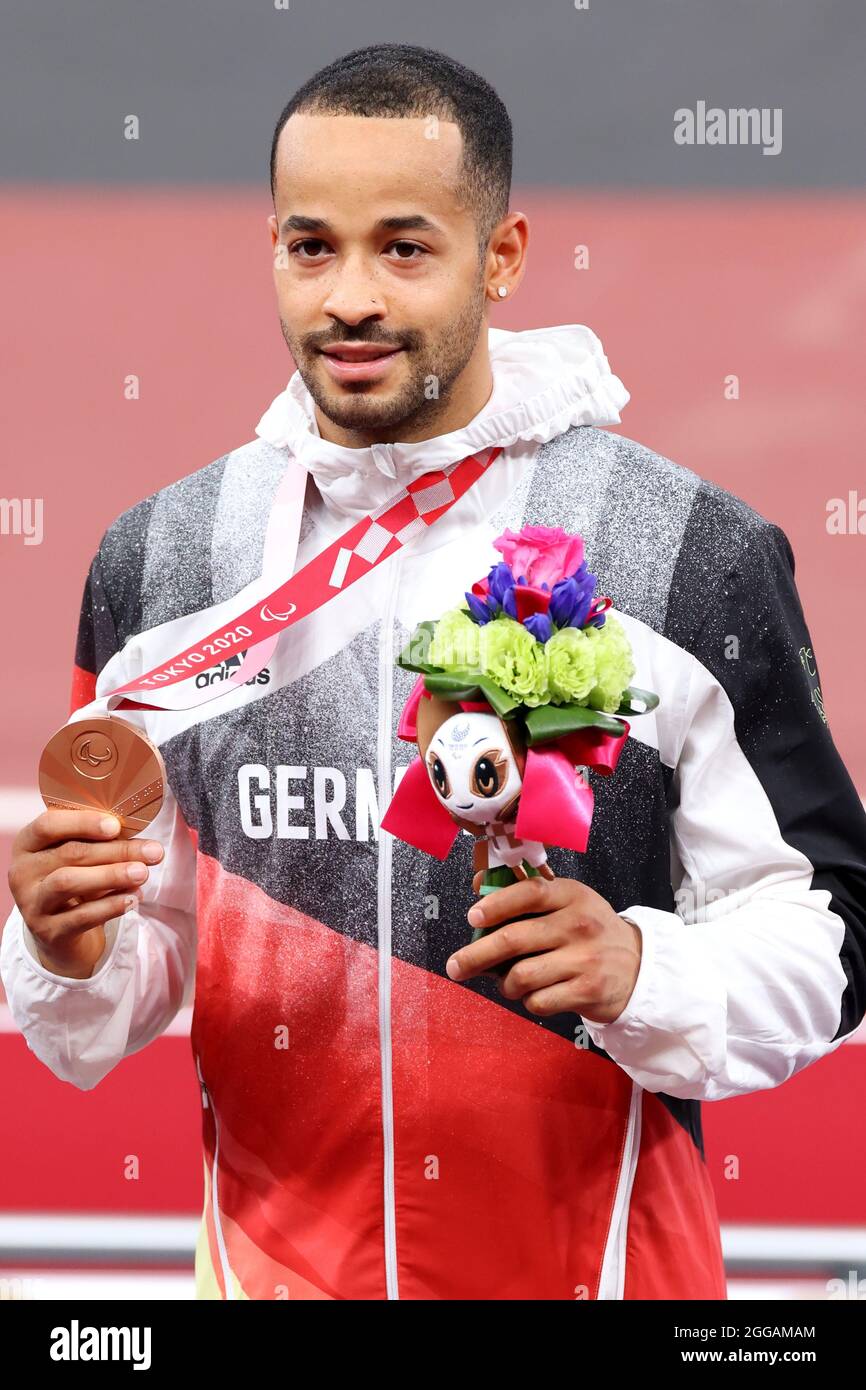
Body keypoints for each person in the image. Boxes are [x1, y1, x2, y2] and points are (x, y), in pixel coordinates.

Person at [3, 41, 866, 1302]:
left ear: (502, 255)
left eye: (403, 247)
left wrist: (642, 971)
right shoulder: (163, 561)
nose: (349, 296)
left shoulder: (685, 554)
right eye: (311, 247)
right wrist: (62, 943)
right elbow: (142, 970)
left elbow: (834, 931)